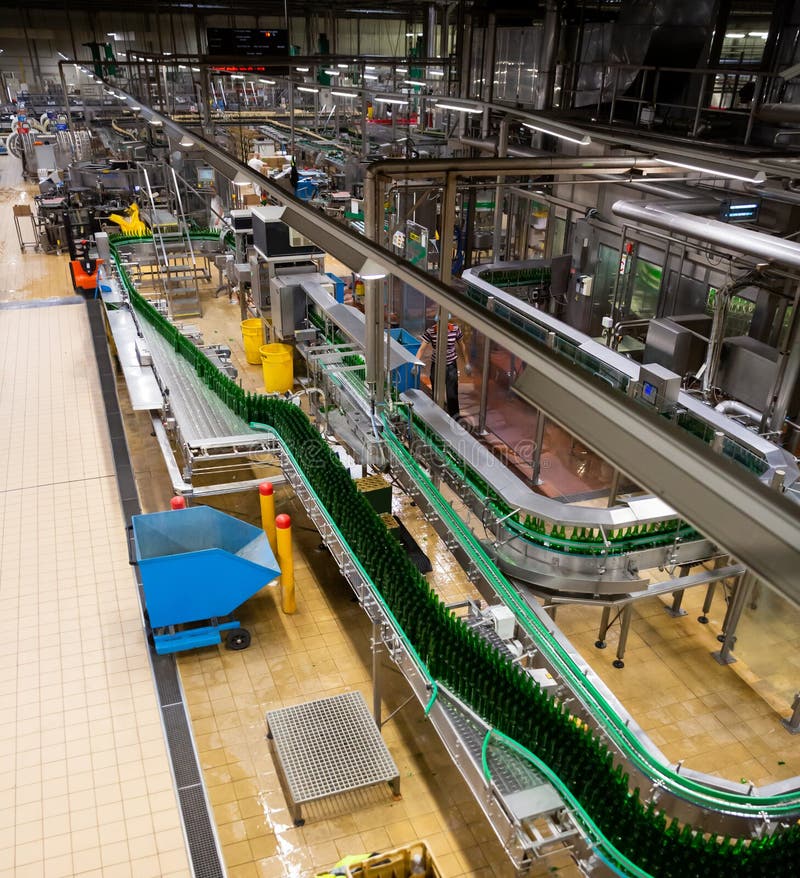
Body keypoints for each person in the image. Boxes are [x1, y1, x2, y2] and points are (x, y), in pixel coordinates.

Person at [417, 316, 472, 419]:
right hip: (436, 365)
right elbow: (422, 349)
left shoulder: (454, 330)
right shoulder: (432, 331)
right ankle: (436, 416)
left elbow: (462, 345)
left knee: (452, 394)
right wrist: (415, 364)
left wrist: (467, 363)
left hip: (451, 365)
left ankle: (455, 418)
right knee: (437, 393)